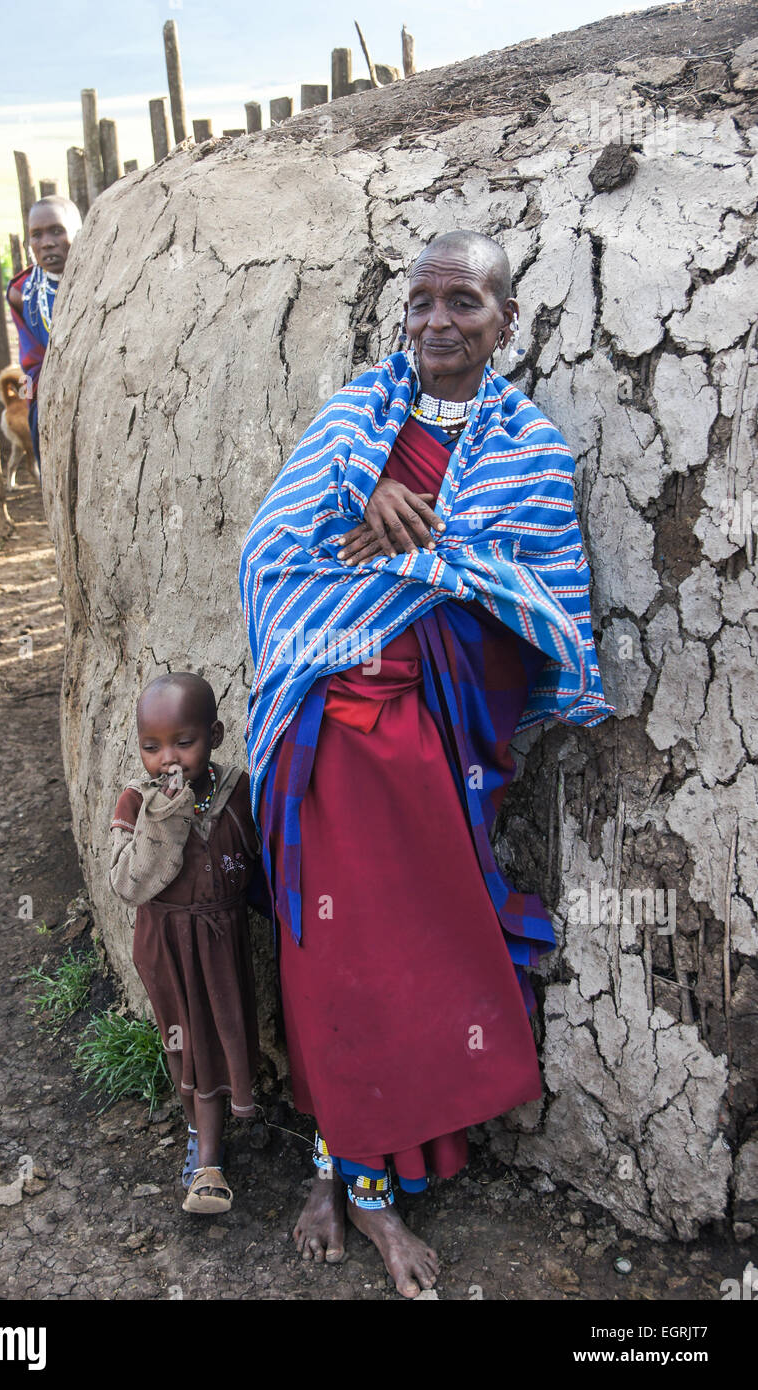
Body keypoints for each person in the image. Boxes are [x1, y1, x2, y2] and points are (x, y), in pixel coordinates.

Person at [240, 230, 614, 1296]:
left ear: (506, 319)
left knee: (403, 960)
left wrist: (432, 548)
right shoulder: (356, 418)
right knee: (323, 956)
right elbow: (269, 556)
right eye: (422, 303)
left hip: (421, 749)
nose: (438, 322)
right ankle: (341, 1173)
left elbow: (540, 610)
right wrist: (361, 509)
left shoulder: (528, 450)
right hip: (318, 739)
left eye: (463, 302)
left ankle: (370, 1178)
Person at [109, 672, 261, 1214]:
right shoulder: (137, 803)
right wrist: (166, 816)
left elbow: (256, 864)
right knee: (185, 1044)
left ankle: (211, 1153)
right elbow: (128, 884)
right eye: (152, 747)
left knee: (222, 1037)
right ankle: (204, 1149)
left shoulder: (234, 792)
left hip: (221, 944)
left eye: (184, 742)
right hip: (167, 950)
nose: (167, 758)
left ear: (216, 736)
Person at [6, 195, 82, 467]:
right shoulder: (21, 292)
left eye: (57, 231)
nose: (47, 242)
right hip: (46, 398)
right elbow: (32, 360)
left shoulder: (100, 279)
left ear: (79, 232)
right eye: (36, 235)